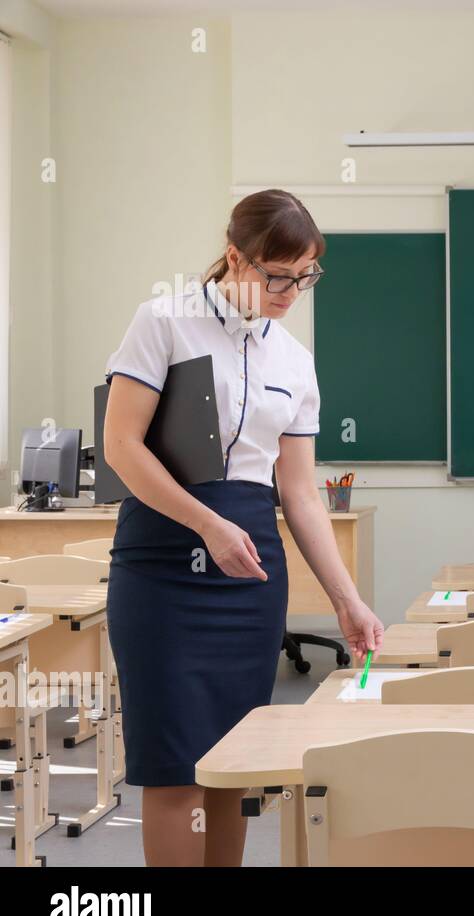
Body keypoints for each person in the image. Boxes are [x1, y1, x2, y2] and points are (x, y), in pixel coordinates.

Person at [102, 188, 383, 865]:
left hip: (249, 576)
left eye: (306, 274)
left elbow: (301, 496)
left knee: (233, 768)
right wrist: (207, 525)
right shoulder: (163, 322)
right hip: (164, 566)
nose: (292, 289)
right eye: (278, 274)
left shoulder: (294, 361)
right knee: (176, 769)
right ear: (236, 257)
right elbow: (121, 447)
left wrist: (348, 600)